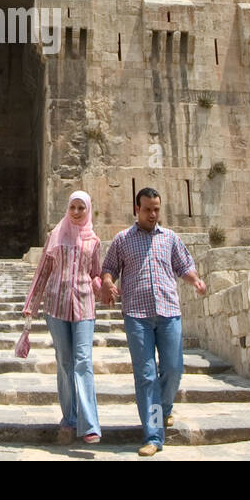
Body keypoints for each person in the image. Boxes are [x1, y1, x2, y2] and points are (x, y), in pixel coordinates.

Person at [101, 187, 207, 456]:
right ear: (137, 209)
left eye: (157, 209)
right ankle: (153, 435)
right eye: (147, 209)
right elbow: (109, 268)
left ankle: (164, 408)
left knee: (173, 369)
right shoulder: (123, 239)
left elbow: (184, 266)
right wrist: (107, 283)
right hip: (137, 315)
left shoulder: (170, 238)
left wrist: (195, 280)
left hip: (169, 312)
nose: (153, 214)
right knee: (146, 376)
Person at [23, 191, 104, 445]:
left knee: (83, 361)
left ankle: (89, 423)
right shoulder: (55, 237)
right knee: (65, 362)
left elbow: (96, 274)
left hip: (84, 306)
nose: (77, 212)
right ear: (67, 209)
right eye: (73, 207)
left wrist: (104, 285)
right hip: (56, 306)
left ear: (88, 210)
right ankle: (69, 419)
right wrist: (31, 306)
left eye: (82, 207)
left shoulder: (94, 241)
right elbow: (43, 272)